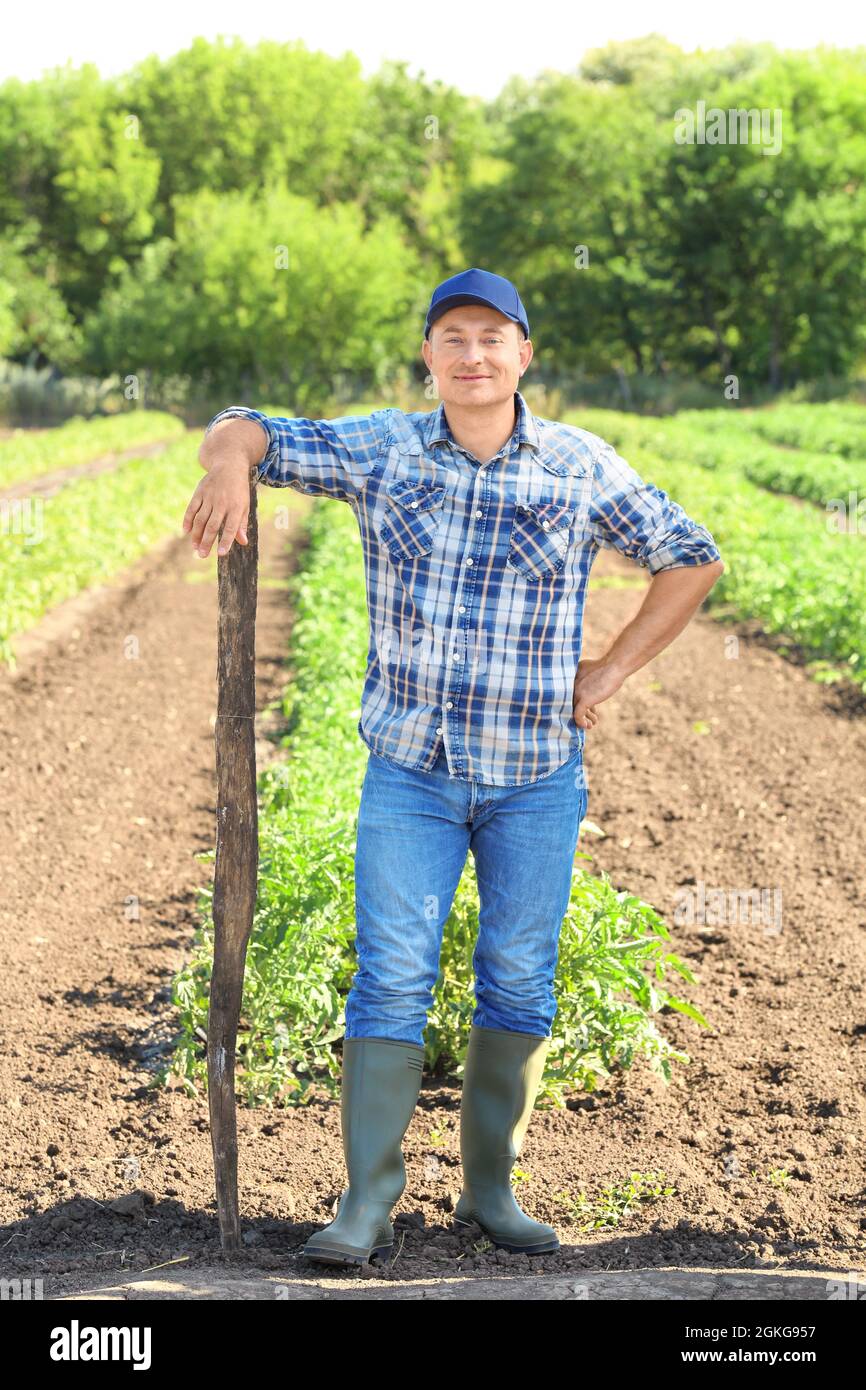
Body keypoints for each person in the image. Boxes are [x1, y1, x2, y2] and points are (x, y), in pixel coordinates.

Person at [183, 267, 724, 1268]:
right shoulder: (385, 449)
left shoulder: (577, 464)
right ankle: (366, 1205)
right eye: (452, 338)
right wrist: (226, 457)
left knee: (518, 977)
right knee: (389, 974)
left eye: (492, 337)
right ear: (427, 357)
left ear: (523, 354)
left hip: (533, 778)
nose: (472, 355)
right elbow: (255, 425)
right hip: (412, 777)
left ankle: (489, 1190)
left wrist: (606, 669)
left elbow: (689, 554)